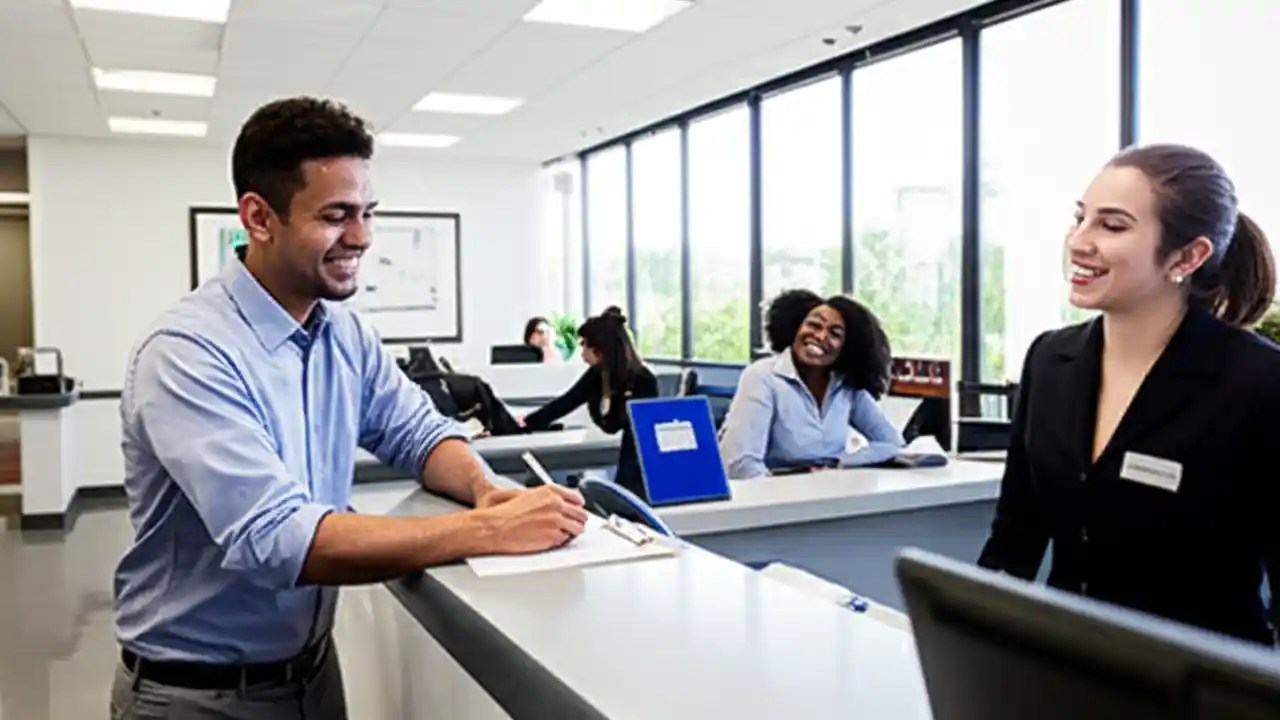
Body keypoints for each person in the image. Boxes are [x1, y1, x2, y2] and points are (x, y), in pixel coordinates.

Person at [110, 97, 588, 719]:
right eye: (336, 215)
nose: (361, 237)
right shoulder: (187, 355)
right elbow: (276, 539)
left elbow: (418, 433)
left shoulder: (343, 333)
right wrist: (485, 531)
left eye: (367, 213)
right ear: (259, 217)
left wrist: (484, 488)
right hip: (197, 696)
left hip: (310, 675)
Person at [977, 143, 1280, 646]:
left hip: (1202, 686)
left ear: (1188, 256)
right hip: (1063, 664)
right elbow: (1015, 535)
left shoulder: (1258, 382)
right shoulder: (1051, 360)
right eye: (1080, 218)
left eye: (1112, 226)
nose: (1079, 241)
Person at [719, 289, 904, 479]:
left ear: (847, 346)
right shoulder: (762, 377)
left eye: (835, 334)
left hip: (829, 497)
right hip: (774, 497)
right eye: (814, 325)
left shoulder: (846, 385)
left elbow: (892, 443)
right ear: (796, 327)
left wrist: (843, 462)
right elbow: (740, 464)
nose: (821, 336)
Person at [520, 307, 658, 499]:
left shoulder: (642, 380)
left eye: (585, 345)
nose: (582, 351)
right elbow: (567, 402)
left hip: (637, 468)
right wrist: (528, 422)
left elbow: (624, 429)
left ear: (601, 350)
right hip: (624, 464)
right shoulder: (597, 375)